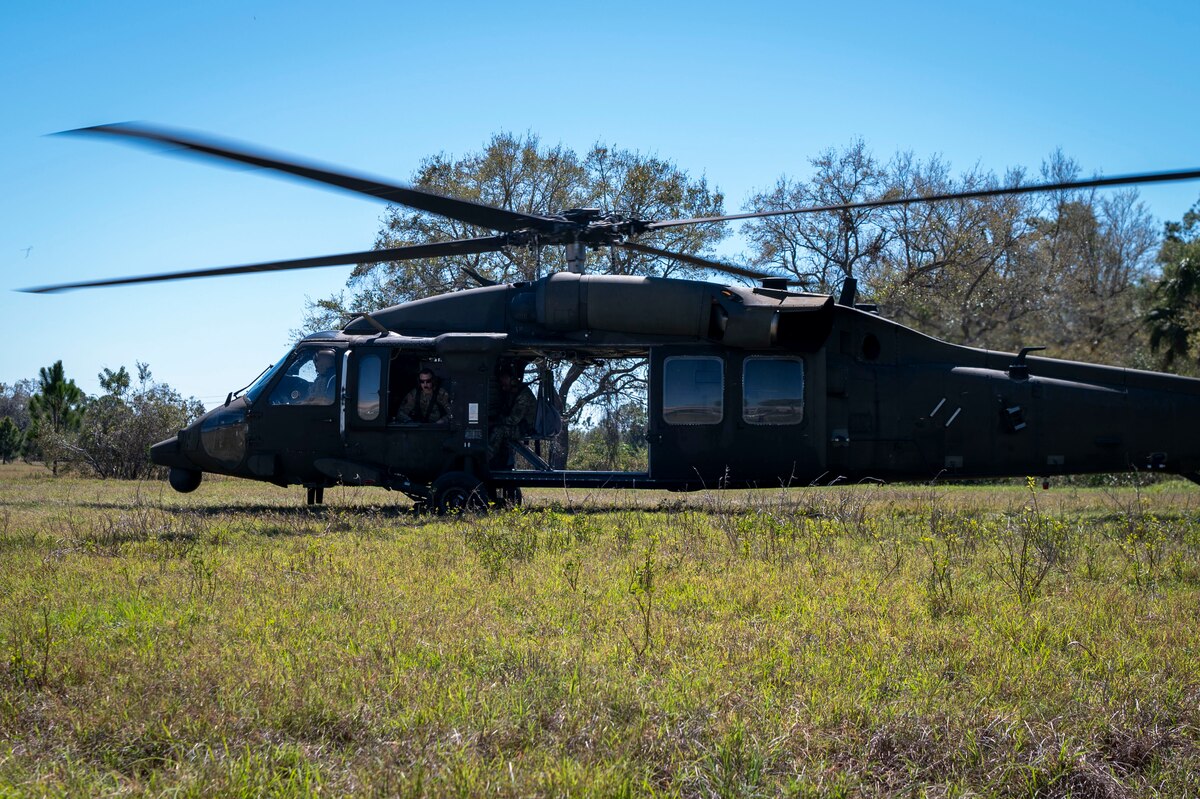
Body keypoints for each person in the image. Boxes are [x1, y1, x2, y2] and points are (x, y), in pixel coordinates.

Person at [489, 367, 536, 462]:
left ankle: (485, 459)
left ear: (512, 380)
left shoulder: (523, 395)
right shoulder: (512, 393)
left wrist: (495, 422)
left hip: (525, 428)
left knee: (499, 430)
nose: (503, 387)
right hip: (518, 425)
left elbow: (513, 420)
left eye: (505, 383)